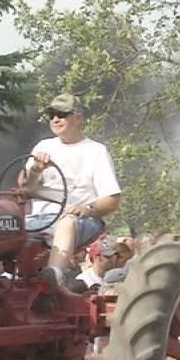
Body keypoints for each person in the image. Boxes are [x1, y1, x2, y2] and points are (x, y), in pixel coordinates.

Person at [17, 93, 122, 278]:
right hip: (40, 219)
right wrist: (35, 170)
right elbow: (24, 189)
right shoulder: (43, 146)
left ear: (78, 118)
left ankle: (53, 275)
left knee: (66, 222)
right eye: (52, 115)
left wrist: (87, 208)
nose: (56, 119)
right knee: (4, 227)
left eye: (62, 114)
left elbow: (112, 200)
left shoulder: (95, 151)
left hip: (82, 221)